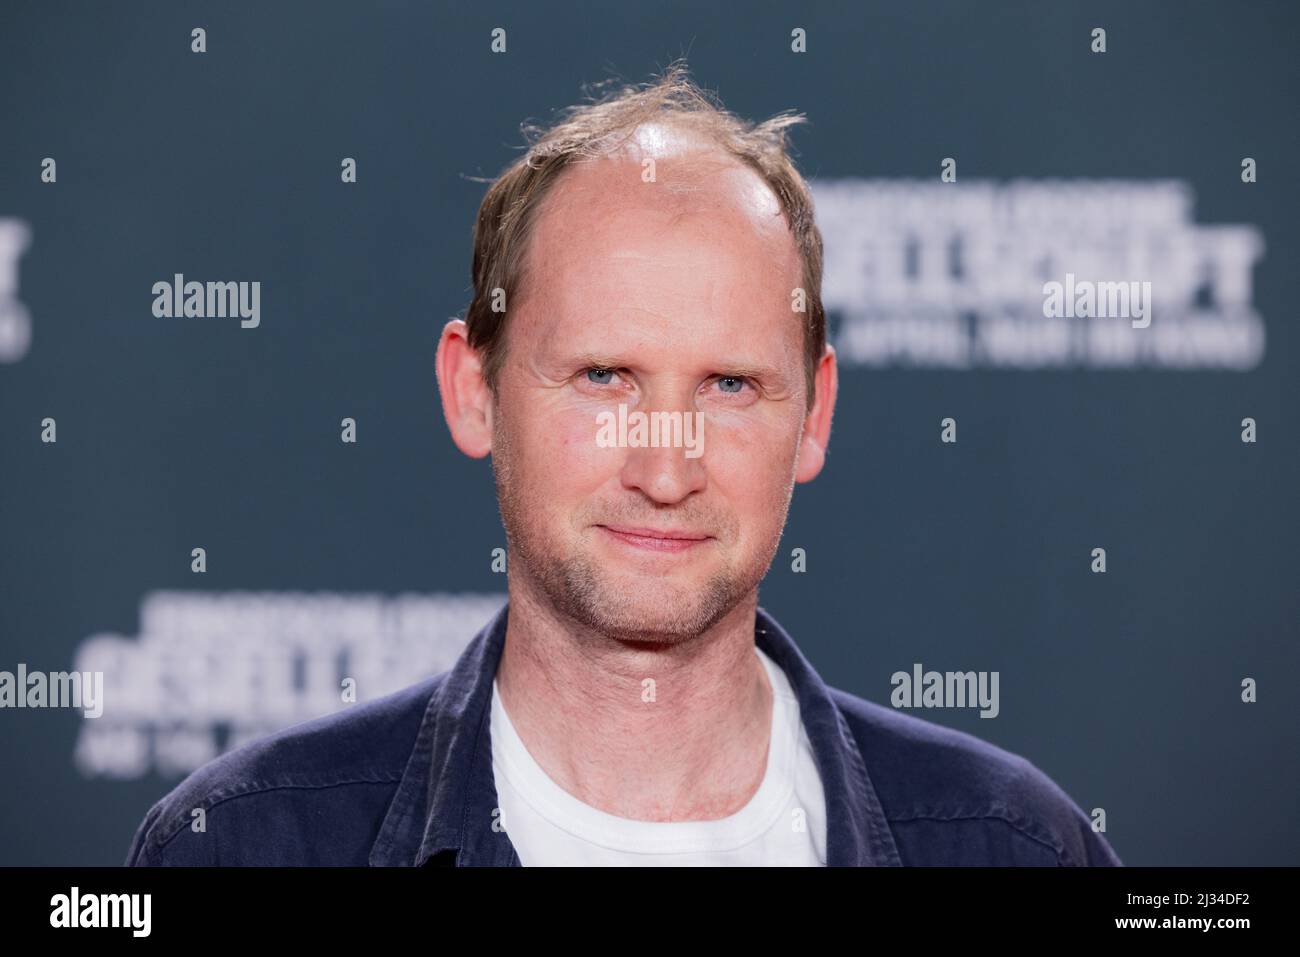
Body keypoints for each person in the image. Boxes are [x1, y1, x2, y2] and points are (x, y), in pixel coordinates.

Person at [126, 62, 1121, 867]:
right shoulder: (245, 845)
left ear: (813, 414)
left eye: (730, 386)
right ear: (473, 390)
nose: (666, 467)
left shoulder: (1010, 846)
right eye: (605, 377)